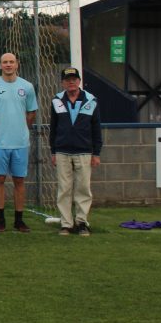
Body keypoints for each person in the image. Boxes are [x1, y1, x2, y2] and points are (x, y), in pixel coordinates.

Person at [0, 52, 38, 233]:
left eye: (11, 62)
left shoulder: (27, 87)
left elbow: (31, 112)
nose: (8, 65)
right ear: (0, 65)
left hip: (20, 143)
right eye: (5, 62)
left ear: (17, 64)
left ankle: (19, 220)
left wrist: (22, 128)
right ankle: (0, 220)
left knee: (19, 180)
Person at [48, 67, 102, 236]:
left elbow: (96, 128)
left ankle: (81, 222)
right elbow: (53, 128)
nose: (71, 82)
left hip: (84, 151)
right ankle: (66, 224)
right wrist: (53, 151)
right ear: (62, 83)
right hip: (62, 151)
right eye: (67, 80)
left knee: (83, 188)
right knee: (64, 189)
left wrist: (96, 153)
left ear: (79, 81)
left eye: (74, 79)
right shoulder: (57, 100)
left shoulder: (91, 100)